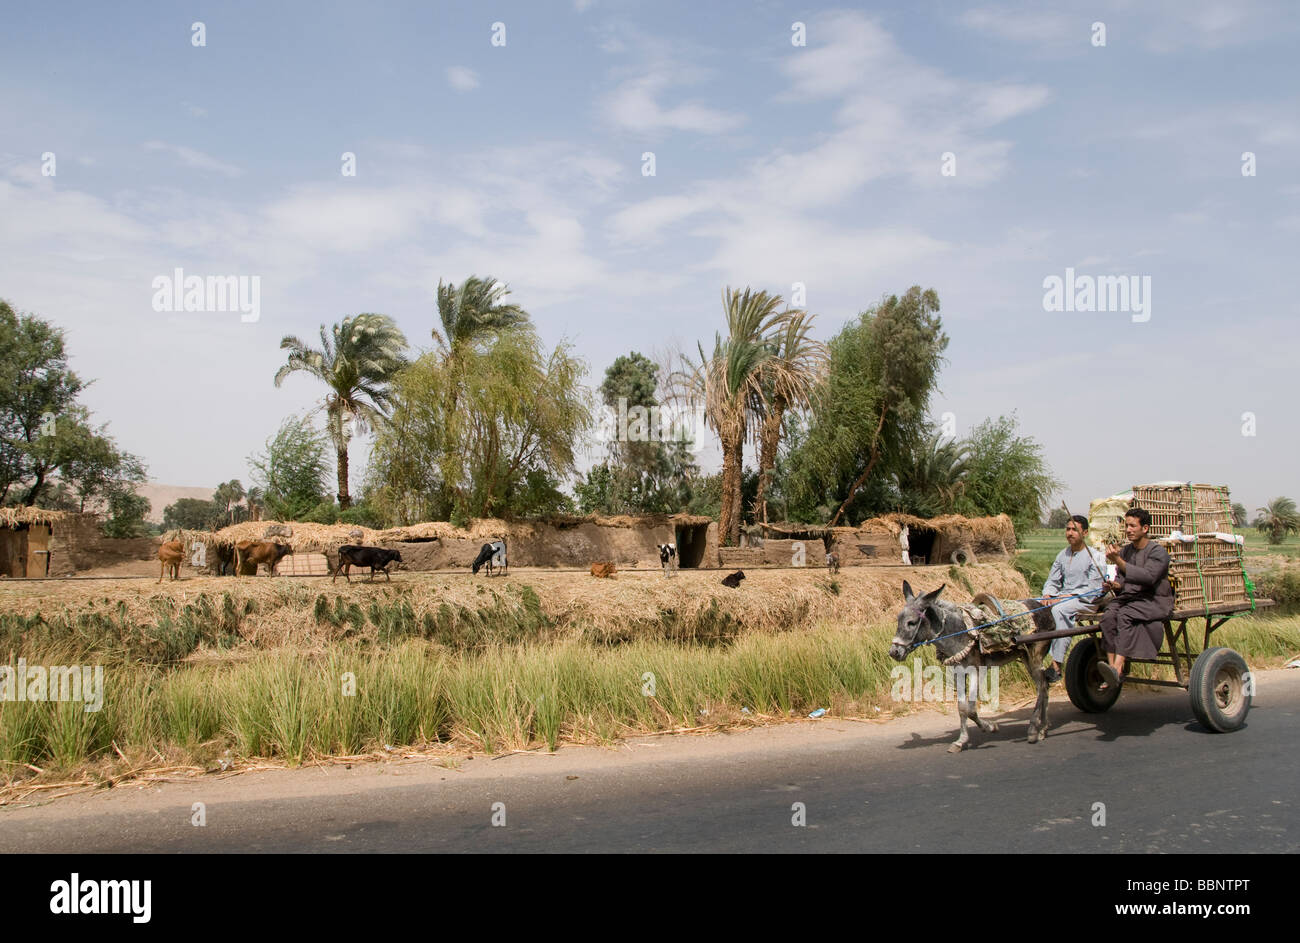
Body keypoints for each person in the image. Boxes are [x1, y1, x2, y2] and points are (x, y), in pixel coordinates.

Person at [1097, 507, 1174, 689]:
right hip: (1132, 598)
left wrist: (1118, 561)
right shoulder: (1126, 551)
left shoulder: (1158, 552)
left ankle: (1118, 667)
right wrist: (1114, 585)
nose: (1128, 530)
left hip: (1155, 600)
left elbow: (1147, 577)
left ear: (1145, 528)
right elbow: (1124, 581)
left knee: (1124, 615)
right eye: (1127, 526)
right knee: (1108, 616)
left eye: (1133, 526)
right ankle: (1111, 668)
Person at [1039, 515, 1106, 683]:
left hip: (1087, 601)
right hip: (1065, 598)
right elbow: (1052, 581)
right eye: (1068, 529)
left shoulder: (1095, 556)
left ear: (1085, 532)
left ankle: (1056, 665)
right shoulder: (1062, 555)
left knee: (1060, 609)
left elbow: (1095, 589)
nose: (1070, 533)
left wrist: (1070, 595)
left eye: (1074, 530)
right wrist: (1047, 594)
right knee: (1036, 604)